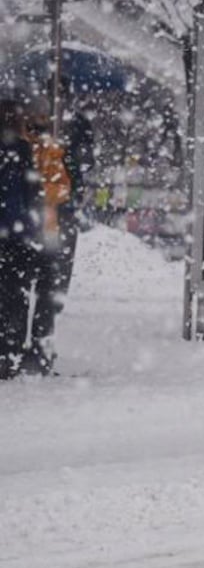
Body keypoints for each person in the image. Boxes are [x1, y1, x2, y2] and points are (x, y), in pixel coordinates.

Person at [28, 81, 92, 372]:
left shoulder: (73, 127)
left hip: (56, 211)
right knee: (46, 277)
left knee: (52, 279)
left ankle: (40, 341)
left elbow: (83, 164)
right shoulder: (33, 130)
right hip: (42, 212)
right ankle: (34, 343)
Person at [0, 100, 43, 379]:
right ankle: (9, 354)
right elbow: (32, 192)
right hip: (16, 232)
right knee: (15, 296)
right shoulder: (22, 148)